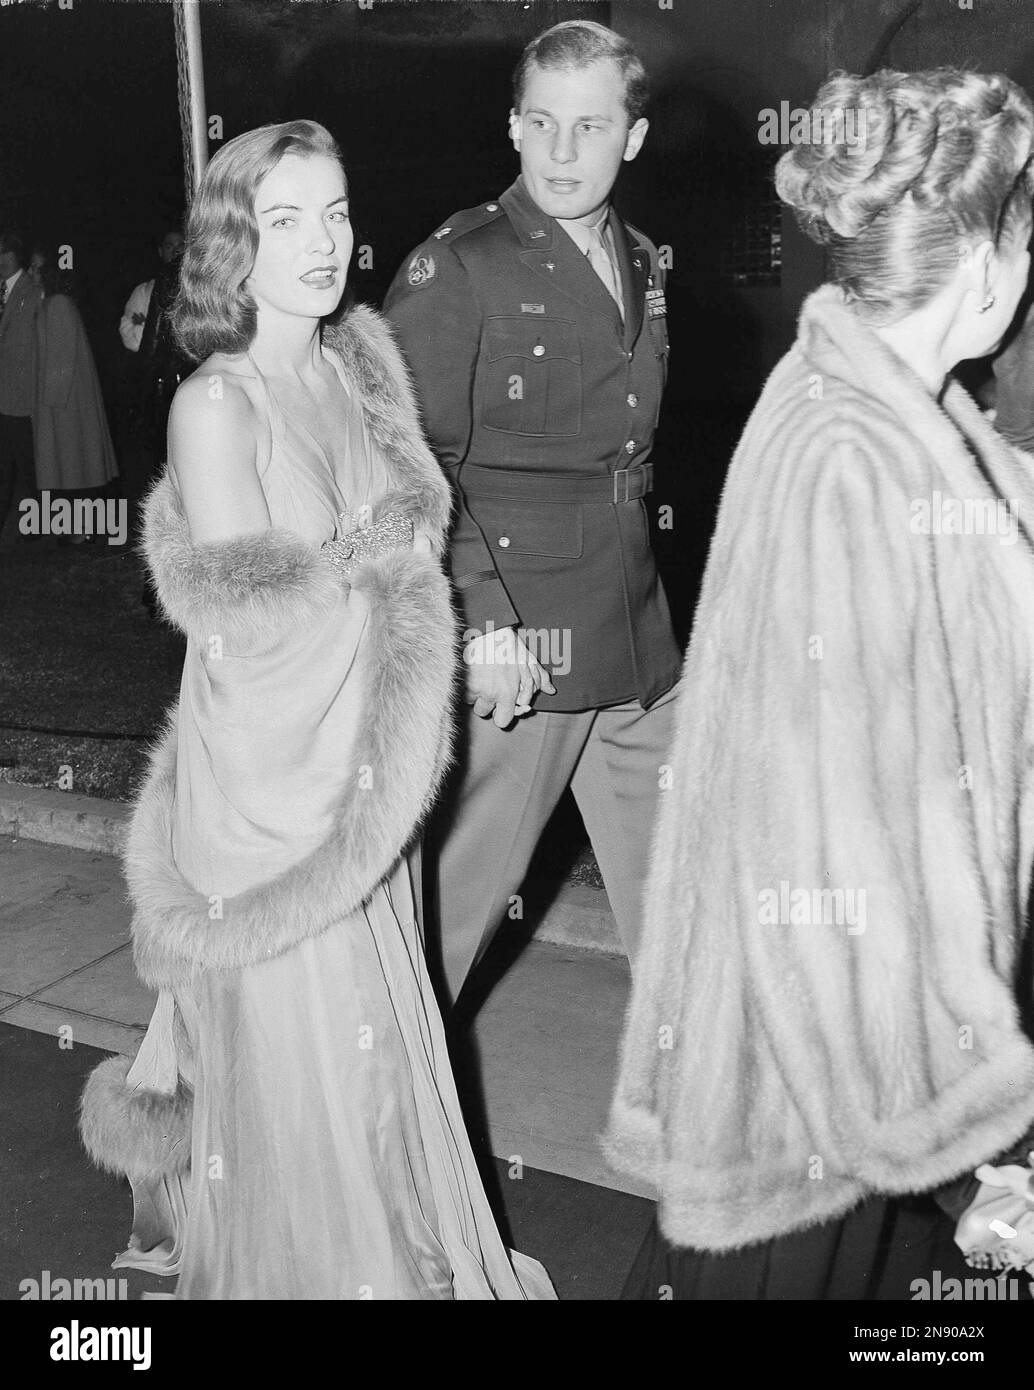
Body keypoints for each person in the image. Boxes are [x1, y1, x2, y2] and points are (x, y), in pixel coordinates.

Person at [78, 120, 555, 1301]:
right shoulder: (215, 405)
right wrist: (399, 587)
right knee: (313, 1088)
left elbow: (389, 564)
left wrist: (430, 605)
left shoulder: (355, 367)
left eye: (335, 213)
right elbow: (255, 635)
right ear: (231, 247)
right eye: (282, 221)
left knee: (379, 1060)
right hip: (272, 804)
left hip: (364, 772)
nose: (321, 244)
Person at [605, 67, 1034, 1300]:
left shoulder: (891, 410)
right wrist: (974, 1132)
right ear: (982, 261)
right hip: (823, 1077)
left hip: (841, 1057)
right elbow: (843, 847)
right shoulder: (854, 459)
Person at [383, 20, 682, 1007]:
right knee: (449, 926)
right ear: (513, 125)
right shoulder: (458, 264)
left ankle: (706, 1135)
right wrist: (487, 622)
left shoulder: (641, 258)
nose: (562, 152)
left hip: (633, 636)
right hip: (524, 643)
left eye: (589, 126)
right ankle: (367, 1132)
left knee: (685, 911)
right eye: (542, 123)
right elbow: (415, 462)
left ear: (629, 138)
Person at [30, 252, 119, 544]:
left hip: (66, 403)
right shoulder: (51, 303)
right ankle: (76, 528)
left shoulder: (57, 304)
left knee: (73, 466)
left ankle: (81, 530)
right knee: (73, 467)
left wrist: (48, 404)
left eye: (37, 267)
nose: (32, 272)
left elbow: (61, 359)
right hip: (64, 400)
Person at [0, 230, 40, 542]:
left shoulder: (30, 290)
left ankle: (41, 523)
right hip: (5, 396)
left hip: (18, 396)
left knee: (27, 466)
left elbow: (19, 348)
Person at [118, 228, 184, 353]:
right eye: (169, 247)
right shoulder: (142, 291)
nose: (176, 251)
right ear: (161, 251)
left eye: (181, 246)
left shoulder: (199, 292)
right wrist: (147, 329)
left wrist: (145, 324)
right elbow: (131, 340)